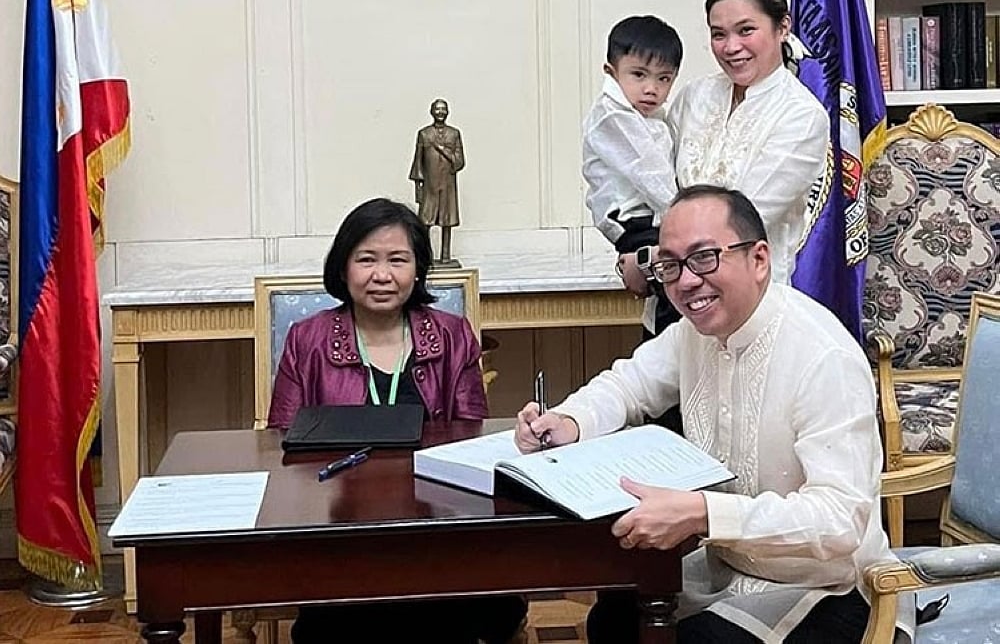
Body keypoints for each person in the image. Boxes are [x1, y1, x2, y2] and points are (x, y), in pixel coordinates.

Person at [515, 186, 914, 644]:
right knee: (614, 618)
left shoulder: (822, 356)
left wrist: (703, 514)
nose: (686, 281)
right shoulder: (696, 332)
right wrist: (569, 420)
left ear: (759, 259)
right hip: (727, 567)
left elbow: (839, 522)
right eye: (670, 265)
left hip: (832, 586)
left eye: (704, 258)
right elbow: (629, 384)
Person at [268, 197, 527, 644]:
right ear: (343, 267)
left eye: (398, 260)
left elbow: (471, 438)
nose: (382, 275)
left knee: (468, 610)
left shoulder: (451, 335)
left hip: (436, 528)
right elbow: (280, 445)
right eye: (366, 259)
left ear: (418, 268)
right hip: (340, 530)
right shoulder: (307, 340)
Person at [668, 0, 829, 287]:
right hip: (672, 288)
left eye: (746, 30)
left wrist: (655, 255)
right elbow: (656, 179)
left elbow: (747, 218)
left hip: (751, 296)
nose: (731, 47)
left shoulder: (802, 115)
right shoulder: (693, 97)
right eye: (718, 34)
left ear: (783, 27)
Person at [581, 15, 684, 340]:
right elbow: (651, 173)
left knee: (673, 297)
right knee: (678, 294)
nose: (652, 89)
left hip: (650, 224)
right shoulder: (613, 115)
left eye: (664, 79)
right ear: (611, 72)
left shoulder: (651, 116)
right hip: (634, 225)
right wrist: (688, 215)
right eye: (639, 75)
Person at [409, 98, 465, 266]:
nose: (440, 112)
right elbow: (418, 161)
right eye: (437, 109)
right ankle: (425, 256)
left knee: (447, 222)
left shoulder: (454, 134)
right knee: (426, 221)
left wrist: (444, 151)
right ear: (431, 112)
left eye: (443, 109)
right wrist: (418, 185)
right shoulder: (424, 134)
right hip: (430, 186)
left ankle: (445, 256)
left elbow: (460, 161)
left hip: (448, 185)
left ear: (447, 112)